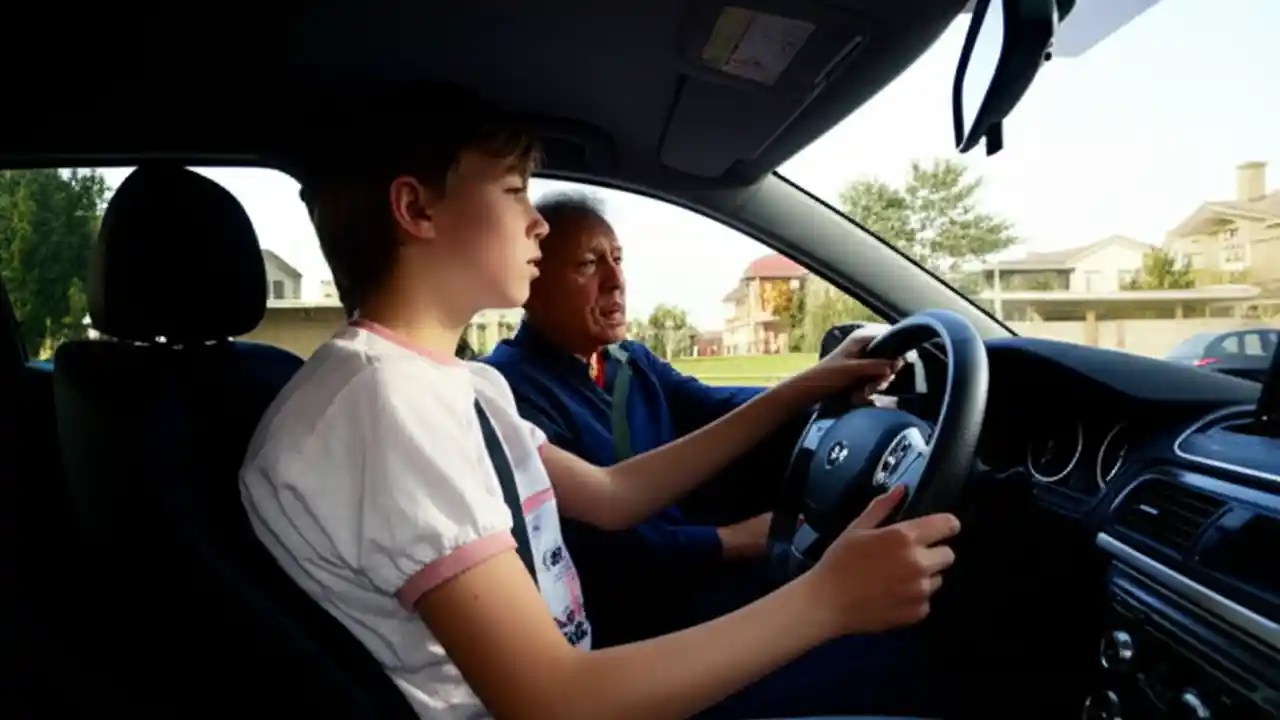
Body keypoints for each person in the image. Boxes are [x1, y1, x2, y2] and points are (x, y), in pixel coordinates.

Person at [240, 89, 958, 720]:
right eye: (516, 190)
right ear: (417, 208)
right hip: (576, 699)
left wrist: (806, 385)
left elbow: (614, 496)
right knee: (898, 669)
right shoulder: (383, 409)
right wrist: (826, 601)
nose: (539, 224)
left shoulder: (453, 385)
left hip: (589, 669)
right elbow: (553, 702)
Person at [484, 194, 795, 646]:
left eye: (617, 260)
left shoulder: (631, 361)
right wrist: (732, 540)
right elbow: (585, 550)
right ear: (534, 281)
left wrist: (818, 393)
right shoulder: (509, 390)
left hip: (686, 584)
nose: (615, 281)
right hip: (631, 622)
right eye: (588, 265)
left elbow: (720, 407)